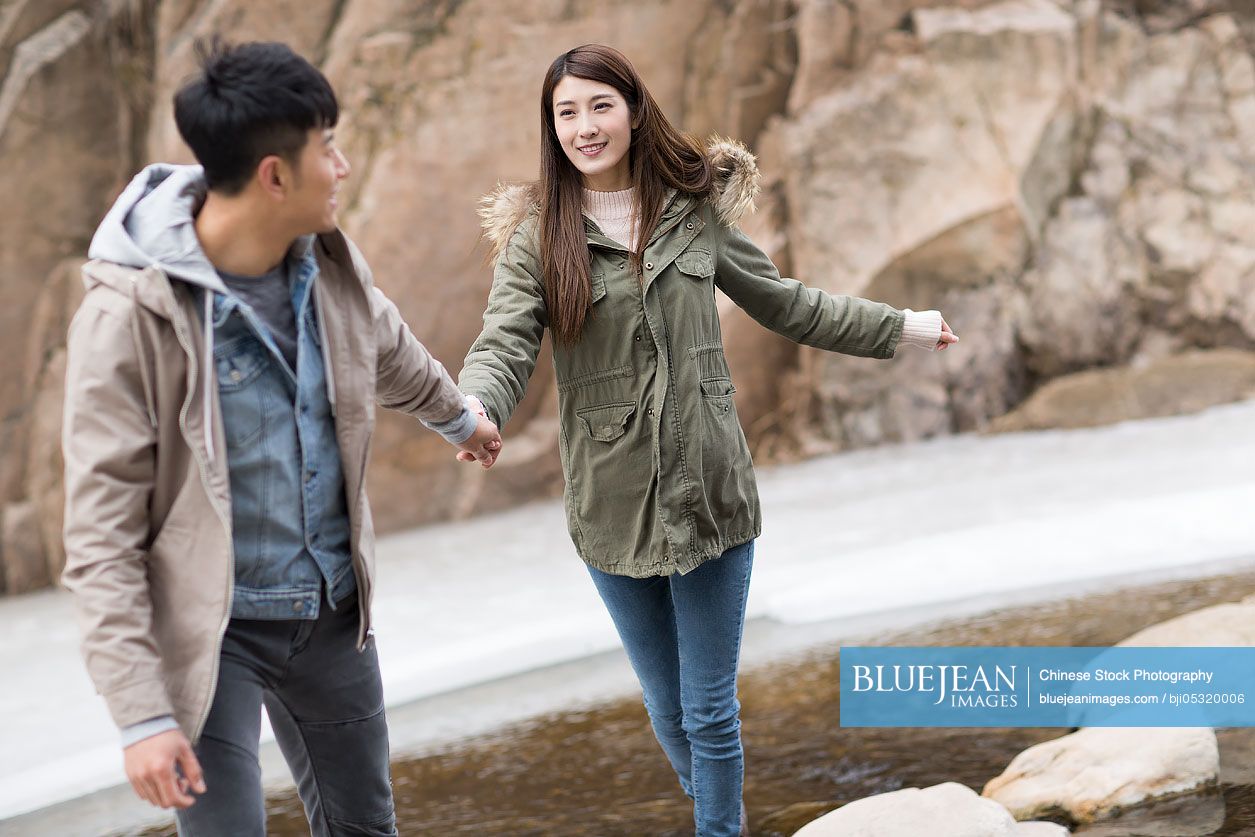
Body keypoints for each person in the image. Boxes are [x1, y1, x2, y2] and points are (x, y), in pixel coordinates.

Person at [457, 43, 958, 836]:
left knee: (709, 709)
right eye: (566, 112)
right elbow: (503, 340)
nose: (584, 126)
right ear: (550, 129)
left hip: (710, 487)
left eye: (599, 105)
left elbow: (785, 302)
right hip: (611, 502)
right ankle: (720, 816)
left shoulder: (689, 212)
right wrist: (476, 404)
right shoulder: (537, 239)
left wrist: (900, 327)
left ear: (631, 109)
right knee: (668, 710)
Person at [60, 39, 501, 836]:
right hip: (211, 634)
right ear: (274, 174)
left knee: (366, 829)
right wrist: (139, 718)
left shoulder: (326, 263)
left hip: (333, 613)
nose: (340, 166)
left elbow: (386, 347)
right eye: (326, 147)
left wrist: (460, 418)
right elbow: (100, 539)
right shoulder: (126, 318)